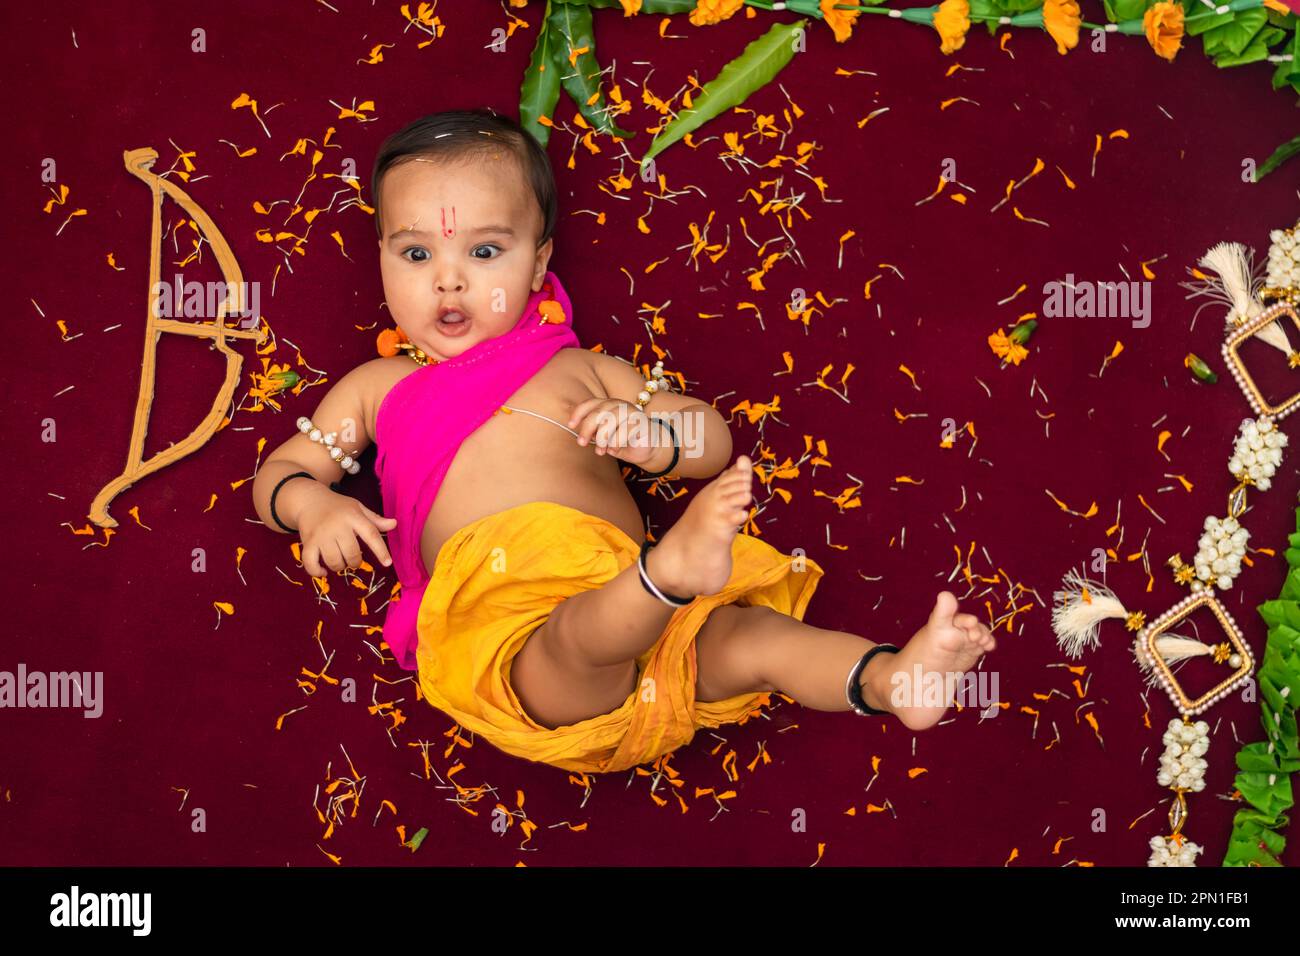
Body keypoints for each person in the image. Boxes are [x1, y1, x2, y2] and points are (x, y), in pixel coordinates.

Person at [251, 108, 996, 774]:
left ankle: (890, 680)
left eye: (484, 254)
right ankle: (664, 575)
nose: (449, 283)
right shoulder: (378, 388)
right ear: (380, 254)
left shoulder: (577, 368)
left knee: (755, 641)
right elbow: (280, 471)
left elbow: (711, 436)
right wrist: (313, 505)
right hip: (518, 642)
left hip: (651, 628)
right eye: (416, 256)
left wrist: (650, 437)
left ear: (538, 263)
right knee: (577, 638)